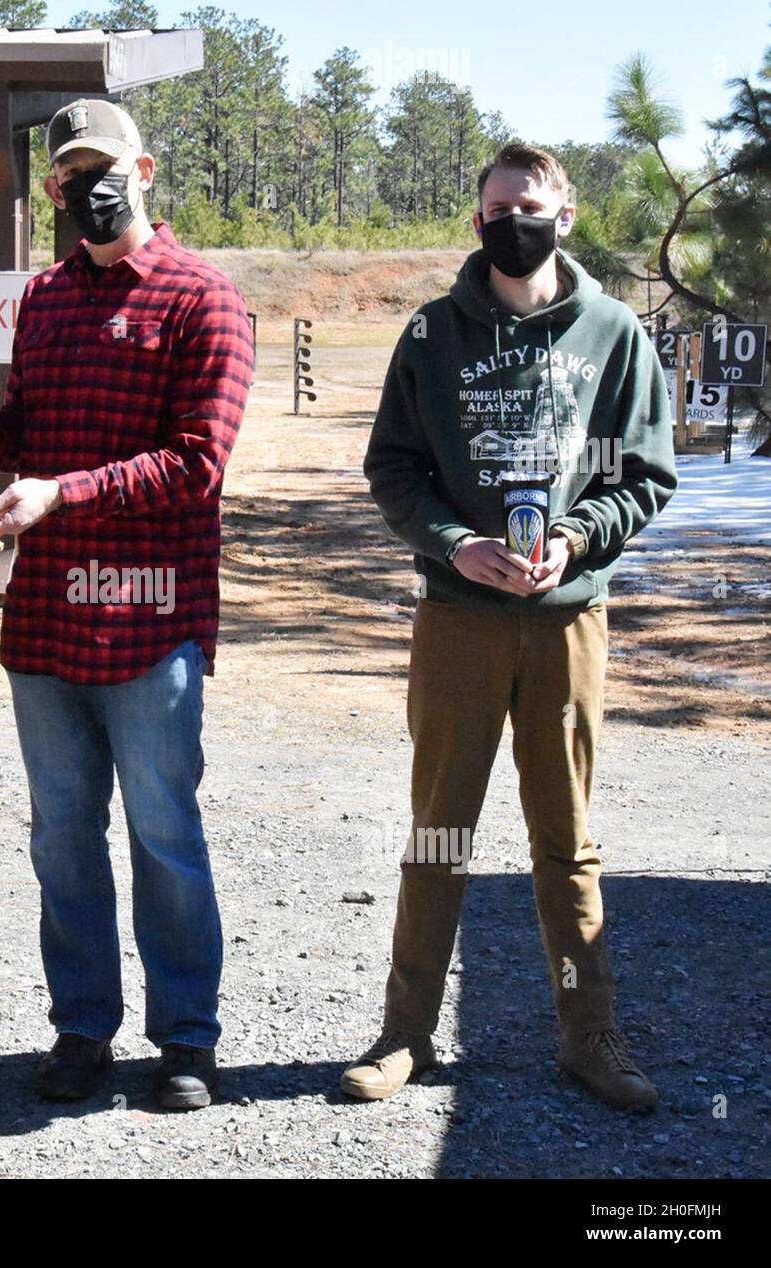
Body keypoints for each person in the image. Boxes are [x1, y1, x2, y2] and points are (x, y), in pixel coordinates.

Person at [0, 99, 255, 1110]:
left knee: (162, 835)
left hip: (151, 618)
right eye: (68, 175)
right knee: (61, 836)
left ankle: (186, 1037)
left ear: (144, 168)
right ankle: (81, 1028)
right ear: (51, 189)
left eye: (103, 168)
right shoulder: (45, 298)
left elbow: (196, 462)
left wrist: (65, 490)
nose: (86, 187)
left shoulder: (205, 299)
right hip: (47, 617)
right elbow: (35, 434)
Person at [347, 143, 677, 1113]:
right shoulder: (429, 336)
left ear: (564, 217)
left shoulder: (612, 337)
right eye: (495, 206)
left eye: (528, 205)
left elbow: (639, 474)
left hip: (567, 622)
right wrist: (455, 544)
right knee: (440, 831)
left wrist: (576, 538)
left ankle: (588, 1031)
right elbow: (394, 472)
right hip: (459, 620)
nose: (511, 220)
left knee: (563, 836)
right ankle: (405, 1031)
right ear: (476, 218)